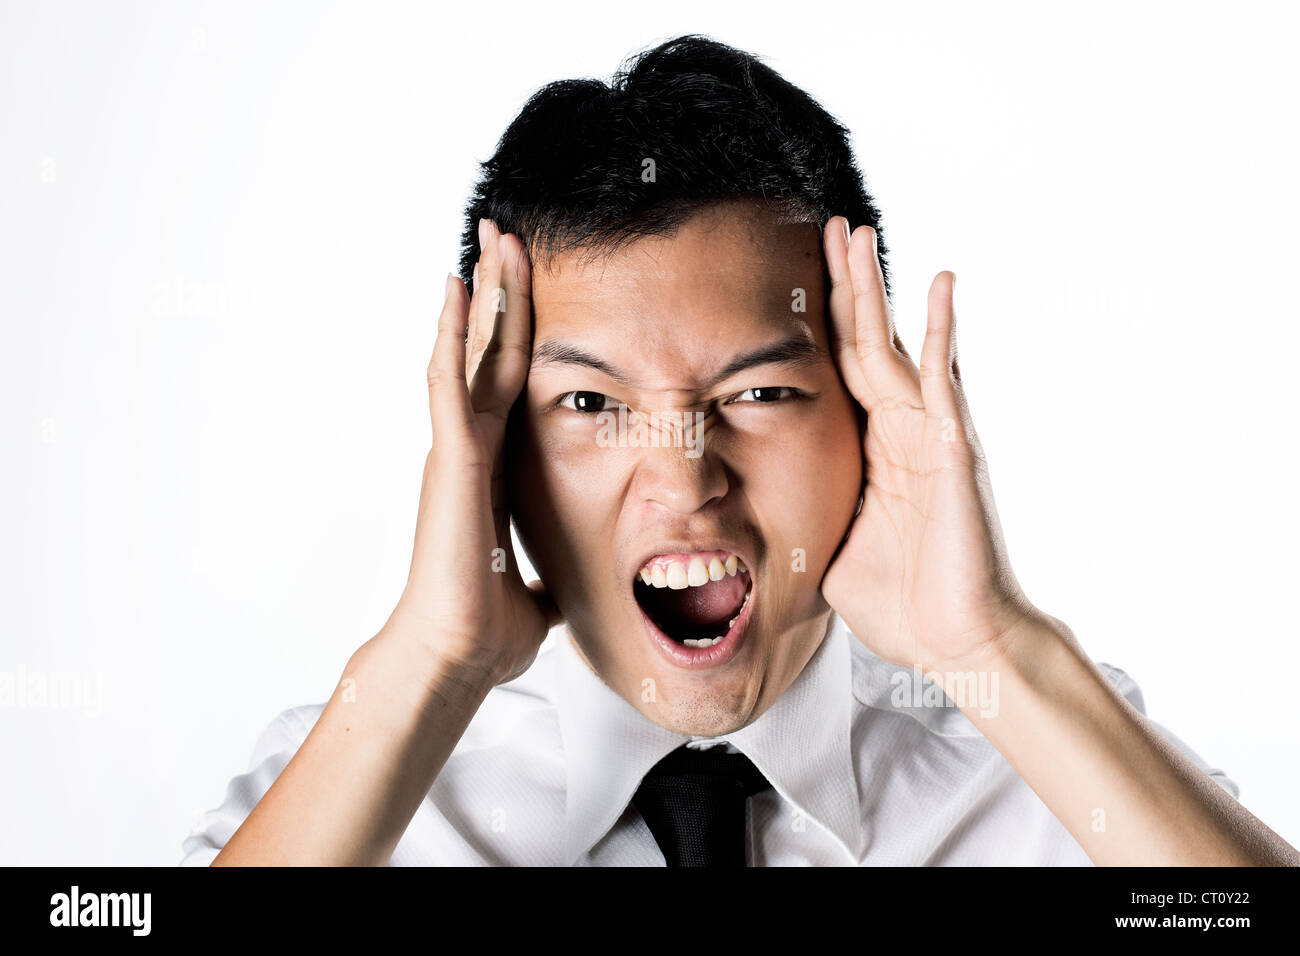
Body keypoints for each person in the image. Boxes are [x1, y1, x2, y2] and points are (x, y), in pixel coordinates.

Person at [181, 35, 1298, 867]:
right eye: (587, 403)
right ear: (493, 454)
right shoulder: (350, 787)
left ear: (872, 406)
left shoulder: (1053, 767)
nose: (682, 479)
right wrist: (429, 659)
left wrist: (994, 647)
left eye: (759, 389)